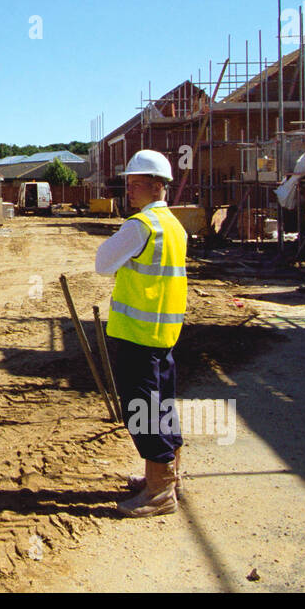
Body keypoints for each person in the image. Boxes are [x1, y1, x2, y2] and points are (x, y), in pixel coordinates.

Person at [94, 150, 187, 517]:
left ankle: (160, 491)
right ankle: (167, 474)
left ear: (154, 185)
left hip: (136, 335)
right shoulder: (174, 226)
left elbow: (102, 263)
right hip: (163, 335)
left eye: (134, 184)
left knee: (140, 412)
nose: (128, 192)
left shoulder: (140, 226)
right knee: (161, 406)